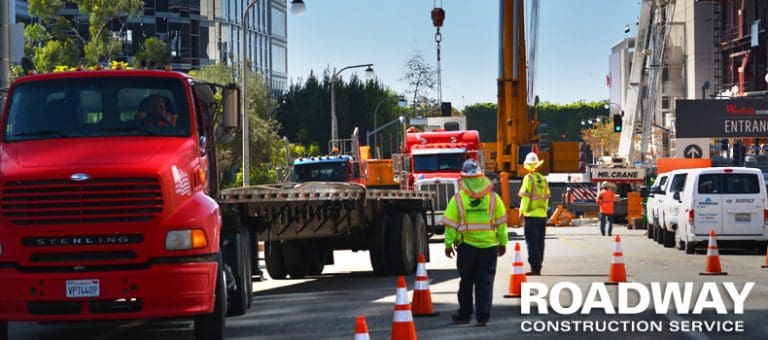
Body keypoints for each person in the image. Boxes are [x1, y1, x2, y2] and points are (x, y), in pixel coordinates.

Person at [442, 159, 508, 327]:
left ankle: (465, 315)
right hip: (489, 246)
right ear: (481, 177)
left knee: (466, 281)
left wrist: (448, 244)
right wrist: (503, 242)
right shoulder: (494, 198)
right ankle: (483, 316)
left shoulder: (457, 200)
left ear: (462, 178)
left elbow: (450, 224)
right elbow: (501, 223)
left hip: (466, 248)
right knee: (484, 282)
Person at [518, 152, 550, 276]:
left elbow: (525, 197)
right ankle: (538, 266)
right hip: (542, 215)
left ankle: (535, 268)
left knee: (532, 243)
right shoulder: (543, 179)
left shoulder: (528, 178)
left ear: (527, 165)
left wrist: (521, 211)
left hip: (531, 216)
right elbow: (546, 198)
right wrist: (544, 212)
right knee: (540, 242)